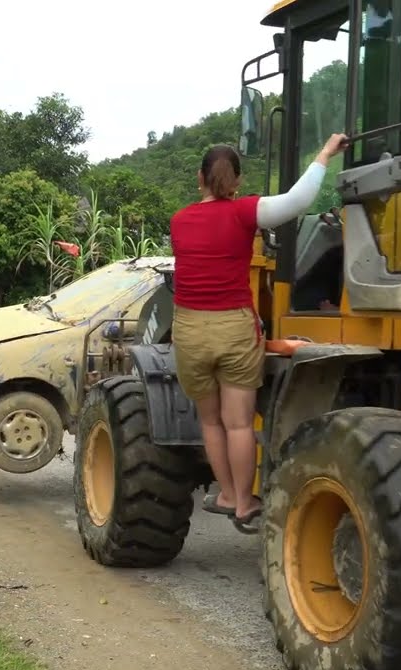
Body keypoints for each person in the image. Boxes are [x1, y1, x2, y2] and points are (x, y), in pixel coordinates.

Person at [170, 134, 348, 533]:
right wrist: (323, 152)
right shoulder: (245, 212)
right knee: (238, 423)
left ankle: (228, 494)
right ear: (236, 181)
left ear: (199, 178)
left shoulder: (179, 221)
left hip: (190, 329)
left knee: (211, 422)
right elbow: (299, 200)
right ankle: (245, 502)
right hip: (233, 328)